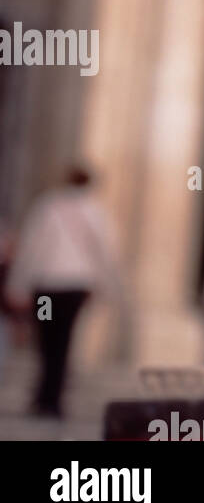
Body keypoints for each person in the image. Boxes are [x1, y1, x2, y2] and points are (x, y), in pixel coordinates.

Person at [4, 166, 120, 418]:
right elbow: (105, 253)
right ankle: (51, 396)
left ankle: (45, 394)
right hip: (75, 287)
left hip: (47, 287)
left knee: (46, 336)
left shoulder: (48, 206)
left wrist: (18, 284)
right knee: (63, 339)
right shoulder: (94, 212)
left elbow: (31, 248)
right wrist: (108, 287)